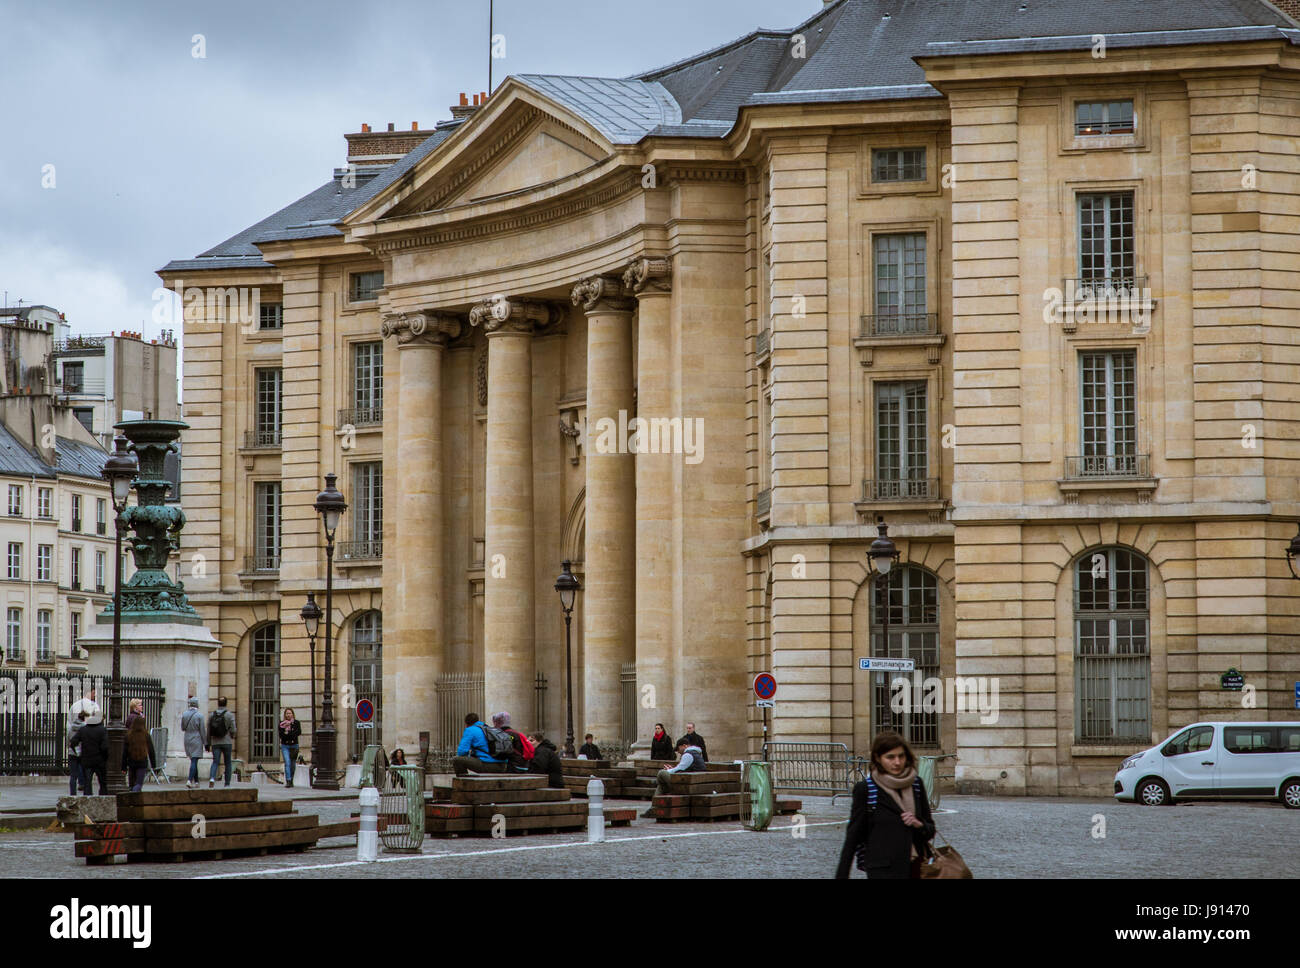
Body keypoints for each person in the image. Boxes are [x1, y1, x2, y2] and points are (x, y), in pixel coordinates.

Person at [835, 732, 936, 880]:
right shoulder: (867, 789)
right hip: (882, 869)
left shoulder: (916, 784)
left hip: (916, 867)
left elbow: (930, 830)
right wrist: (842, 874)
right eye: (890, 757)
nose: (897, 762)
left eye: (901, 756)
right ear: (877, 758)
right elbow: (853, 836)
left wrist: (918, 824)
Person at [77, 711, 109, 795]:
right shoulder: (103, 730)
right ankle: (103, 798)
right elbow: (105, 747)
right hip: (99, 760)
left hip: (87, 760)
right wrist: (105, 757)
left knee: (87, 782)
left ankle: (87, 798)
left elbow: (73, 742)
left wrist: (79, 754)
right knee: (102, 782)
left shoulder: (83, 729)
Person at [207, 696, 236, 788]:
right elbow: (233, 729)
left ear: (218, 704)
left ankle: (212, 778)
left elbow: (208, 730)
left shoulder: (212, 715)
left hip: (215, 742)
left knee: (215, 761)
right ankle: (227, 784)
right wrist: (232, 735)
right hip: (226, 741)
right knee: (228, 763)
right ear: (226, 703)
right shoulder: (229, 715)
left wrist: (208, 743)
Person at [125, 717, 156, 792]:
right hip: (142, 762)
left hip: (131, 762)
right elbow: (151, 751)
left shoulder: (129, 735)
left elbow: (125, 752)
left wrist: (123, 766)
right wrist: (154, 764)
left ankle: (132, 794)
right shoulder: (146, 735)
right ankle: (135, 793)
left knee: (132, 783)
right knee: (139, 783)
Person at [181, 697, 206, 789]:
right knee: (195, 760)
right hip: (196, 738)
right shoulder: (200, 716)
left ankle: (196, 782)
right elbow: (202, 730)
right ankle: (189, 780)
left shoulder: (184, 714)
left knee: (193, 760)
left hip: (187, 738)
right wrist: (205, 742)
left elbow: (183, 728)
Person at [278, 708, 302, 788]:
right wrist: (290, 734)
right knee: (287, 762)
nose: (288, 715)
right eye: (287, 713)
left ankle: (291, 779)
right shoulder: (281, 724)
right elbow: (281, 735)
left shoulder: (296, 723)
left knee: (293, 764)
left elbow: (298, 732)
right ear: (285, 715)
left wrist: (288, 734)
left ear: (292, 714)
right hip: (285, 746)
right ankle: (288, 780)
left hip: (294, 745)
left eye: (290, 713)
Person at [67, 711, 88, 795]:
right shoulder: (85, 728)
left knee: (73, 776)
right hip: (82, 752)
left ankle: (73, 794)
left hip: (72, 752)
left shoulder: (71, 727)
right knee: (86, 774)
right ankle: (85, 791)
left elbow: (68, 738)